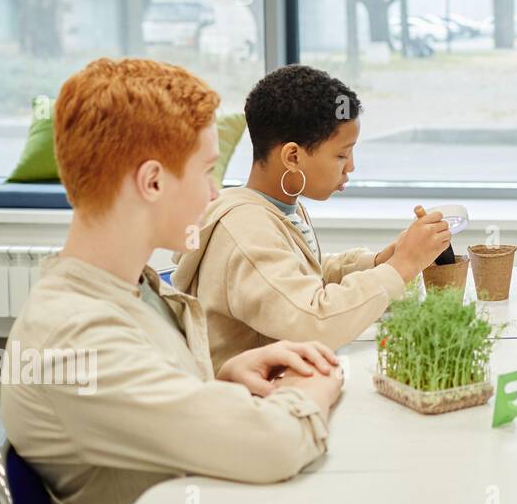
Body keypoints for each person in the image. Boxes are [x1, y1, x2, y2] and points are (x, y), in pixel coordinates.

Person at [0, 59, 343, 504]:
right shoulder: (77, 337)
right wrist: (310, 392)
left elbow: (133, 407)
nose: (212, 193)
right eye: (206, 171)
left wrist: (221, 376)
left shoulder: (130, 289)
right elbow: (275, 445)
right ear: (152, 182)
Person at [173, 64, 451, 372]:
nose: (351, 167)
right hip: (254, 399)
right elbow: (312, 322)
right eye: (342, 155)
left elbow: (302, 274)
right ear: (293, 157)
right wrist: (402, 266)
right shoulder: (245, 230)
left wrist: (377, 263)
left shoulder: (279, 208)